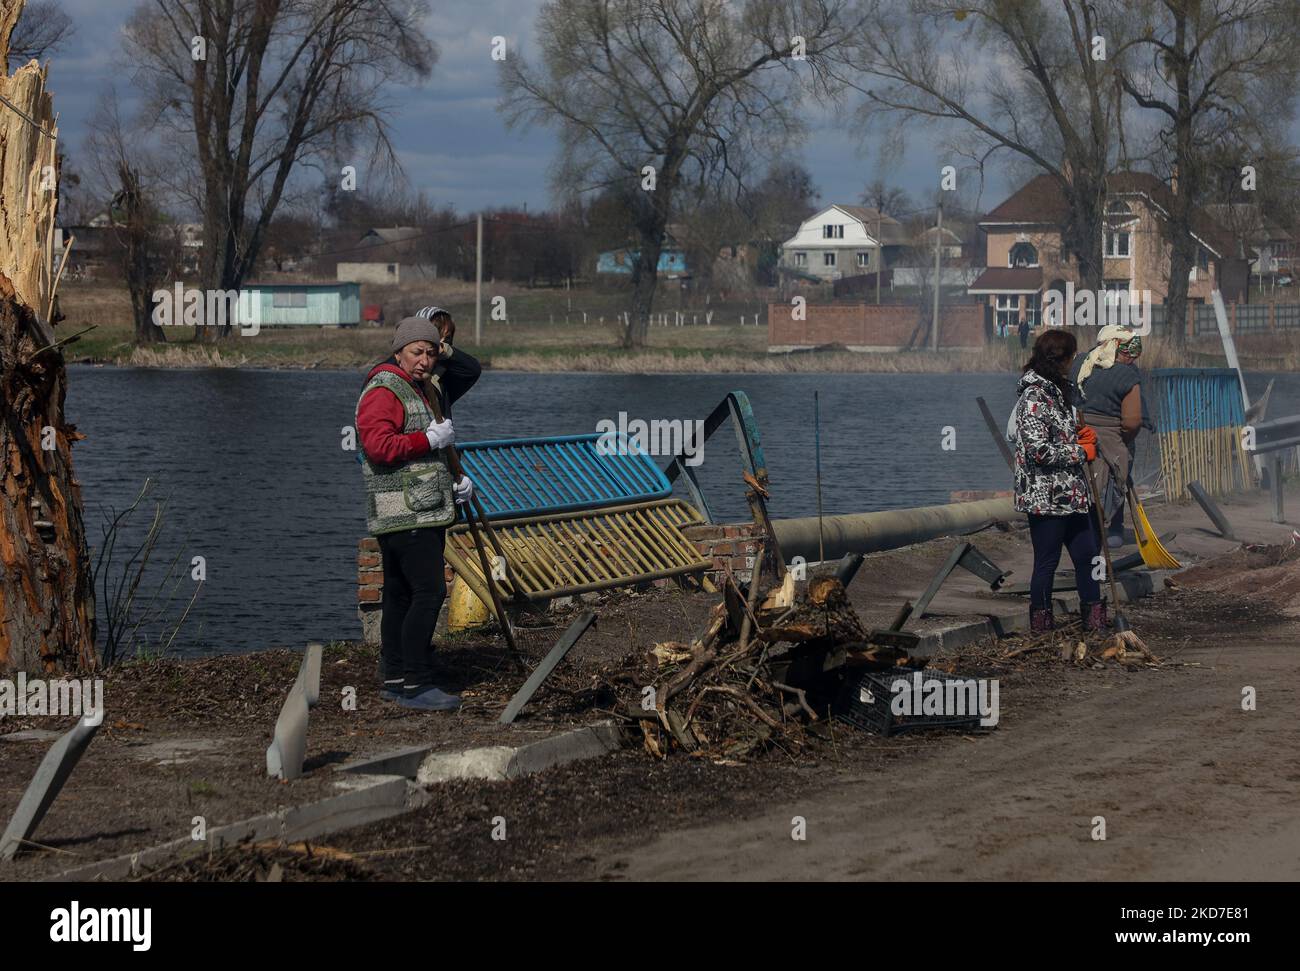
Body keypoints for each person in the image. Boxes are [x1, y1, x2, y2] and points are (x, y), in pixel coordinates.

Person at [356, 312, 481, 710]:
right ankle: (417, 683)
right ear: (398, 351)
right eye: (416, 352)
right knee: (429, 592)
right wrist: (427, 438)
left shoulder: (422, 388)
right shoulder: (384, 390)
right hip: (406, 512)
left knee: (399, 595)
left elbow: (467, 371)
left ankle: (394, 677)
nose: (424, 360)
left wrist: (454, 481)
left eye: (430, 352)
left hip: (419, 508)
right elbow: (379, 448)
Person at [1011, 328, 1107, 633]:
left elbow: (1061, 435)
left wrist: (1084, 436)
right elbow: (1039, 450)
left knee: (1087, 555)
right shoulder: (1034, 397)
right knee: (1047, 562)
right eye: (1072, 355)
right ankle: (1041, 624)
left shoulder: (1060, 392)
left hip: (1074, 494)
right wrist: (1081, 451)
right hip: (1044, 497)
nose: (1075, 360)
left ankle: (1094, 620)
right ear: (1060, 359)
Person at [1071, 325, 1153, 548]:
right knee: (1116, 479)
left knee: (1090, 483)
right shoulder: (1123, 373)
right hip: (1107, 436)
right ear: (1114, 347)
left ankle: (1092, 529)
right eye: (1127, 353)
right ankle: (1110, 528)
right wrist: (1125, 439)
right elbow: (1132, 421)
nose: (1131, 358)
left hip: (1078, 435)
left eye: (1134, 354)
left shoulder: (1078, 361)